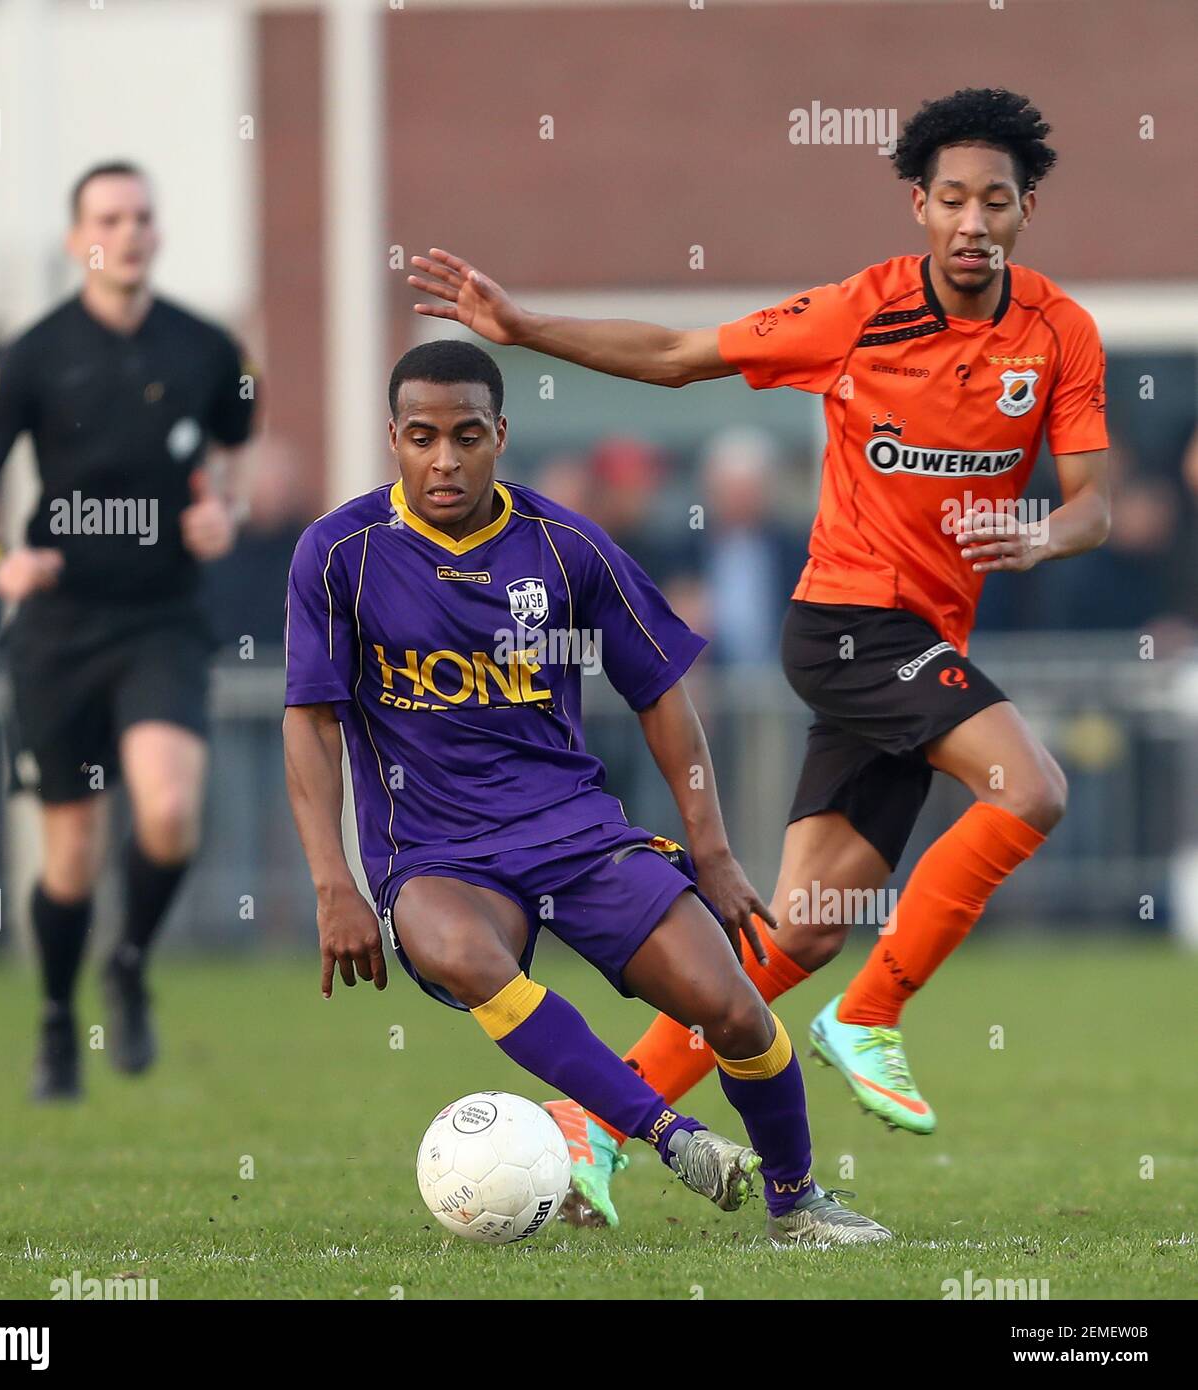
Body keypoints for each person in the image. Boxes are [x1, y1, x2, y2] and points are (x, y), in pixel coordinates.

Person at [409, 86, 1111, 1226]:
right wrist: (524, 327)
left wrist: (1037, 531)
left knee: (800, 929)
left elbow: (1093, 505)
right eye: (950, 199)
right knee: (1029, 786)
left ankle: (595, 1123)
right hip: (846, 626)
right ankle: (872, 1016)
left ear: (1025, 209)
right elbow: (682, 352)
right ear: (917, 206)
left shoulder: (1060, 333)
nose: (972, 220)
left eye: (996, 200)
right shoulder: (861, 312)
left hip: (919, 644)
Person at [282, 340, 890, 1244]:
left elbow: (662, 697)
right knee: (465, 954)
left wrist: (713, 851)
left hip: (574, 833)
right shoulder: (340, 553)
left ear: (500, 435)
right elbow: (312, 718)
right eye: (421, 437)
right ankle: (668, 1133)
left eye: (465, 435)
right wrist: (334, 879)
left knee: (732, 1006)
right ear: (393, 440)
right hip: (436, 852)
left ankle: (798, 1204)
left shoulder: (567, 547)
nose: (443, 458)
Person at [0, 161, 258, 1100]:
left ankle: (128, 965)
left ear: (158, 234)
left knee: (167, 810)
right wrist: (2, 562)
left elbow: (238, 457)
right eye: (108, 217)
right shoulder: (33, 354)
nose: (128, 232)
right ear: (80, 235)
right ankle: (53, 1018)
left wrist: (226, 514)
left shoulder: (205, 348)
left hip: (161, 617)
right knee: (70, 854)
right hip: (61, 626)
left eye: (142, 217)